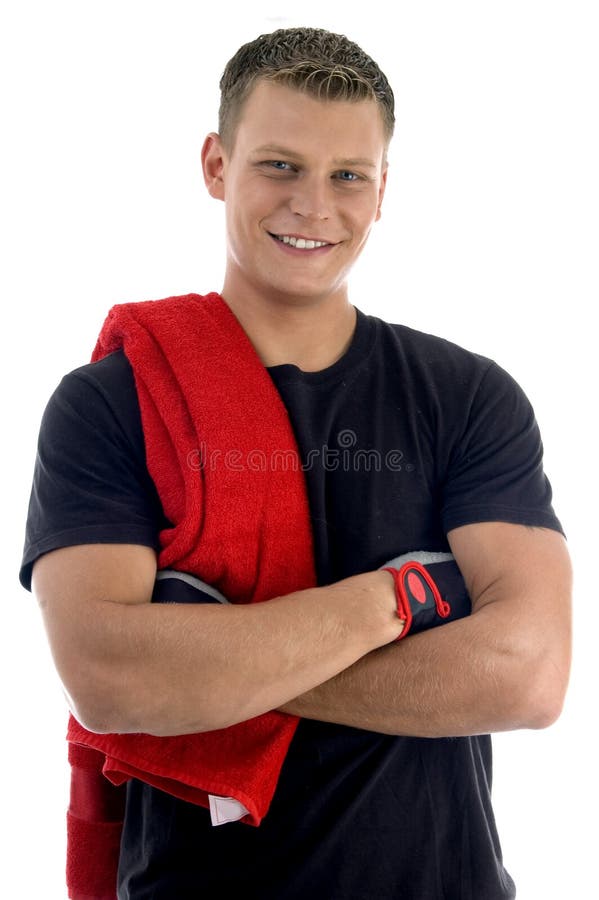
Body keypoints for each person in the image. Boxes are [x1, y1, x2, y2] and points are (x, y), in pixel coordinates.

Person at [20, 26, 571, 900]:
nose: (314, 206)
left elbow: (527, 675)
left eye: (347, 175)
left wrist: (219, 666)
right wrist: (401, 599)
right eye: (279, 166)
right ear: (215, 165)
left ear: (382, 189)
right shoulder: (112, 403)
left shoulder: (467, 396)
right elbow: (115, 683)